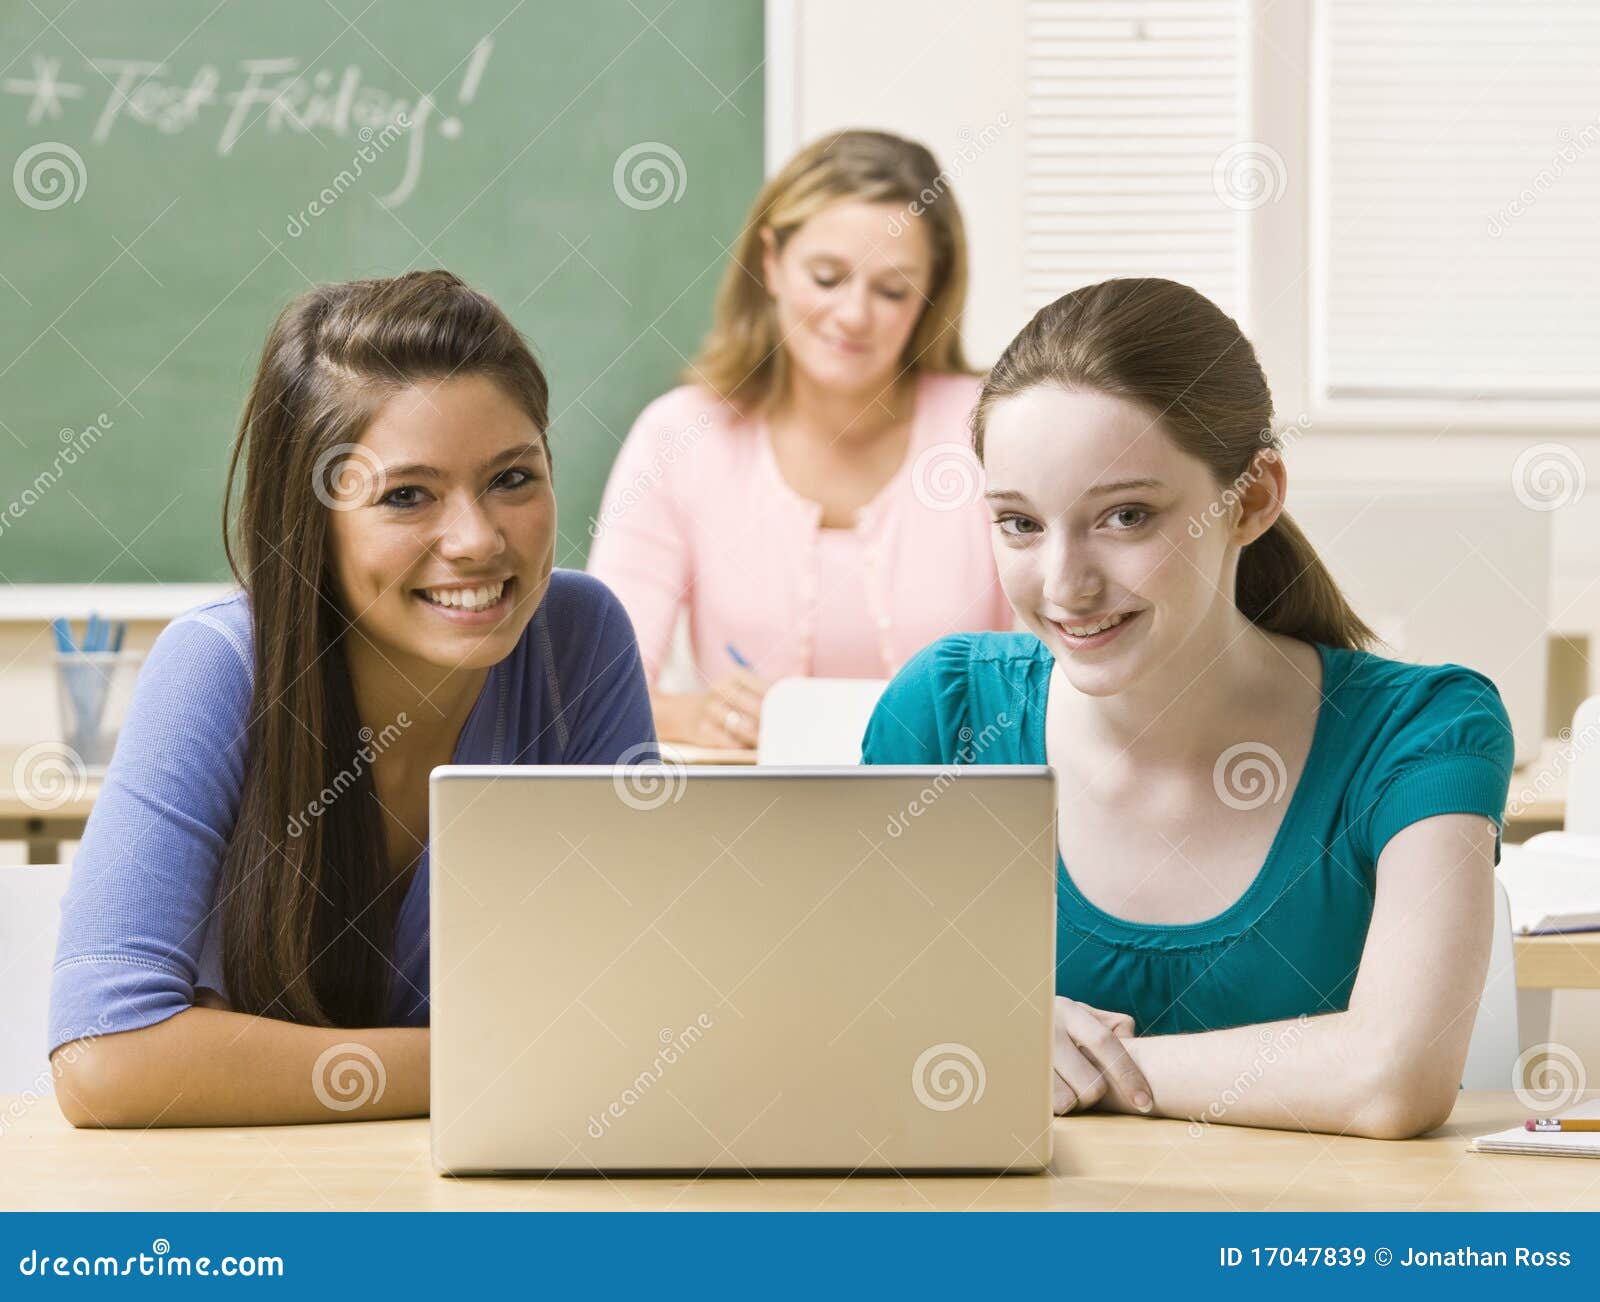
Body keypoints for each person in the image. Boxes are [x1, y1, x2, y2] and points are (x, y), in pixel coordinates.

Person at [861, 277, 1515, 1139]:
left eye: (1125, 516)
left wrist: (1033, 1049)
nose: (1064, 584)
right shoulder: (945, 716)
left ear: (1251, 499)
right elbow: (848, 1026)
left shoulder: (1421, 732)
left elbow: (1392, 1078)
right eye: (1019, 524)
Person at [49, 270, 655, 1127]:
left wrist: (234, 1058)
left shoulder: (582, 637)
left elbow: (636, 1012)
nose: (479, 540)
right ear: (312, 521)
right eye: (407, 496)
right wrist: (500, 1058)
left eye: (513, 479)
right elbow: (103, 1064)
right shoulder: (218, 667)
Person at [588, 130, 1011, 750]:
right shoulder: (681, 436)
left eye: (892, 290)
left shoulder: (992, 428)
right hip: (749, 831)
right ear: (771, 262)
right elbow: (594, 695)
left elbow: (1067, 675)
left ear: (929, 294)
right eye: (827, 276)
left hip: (961, 819)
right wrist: (695, 718)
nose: (854, 315)